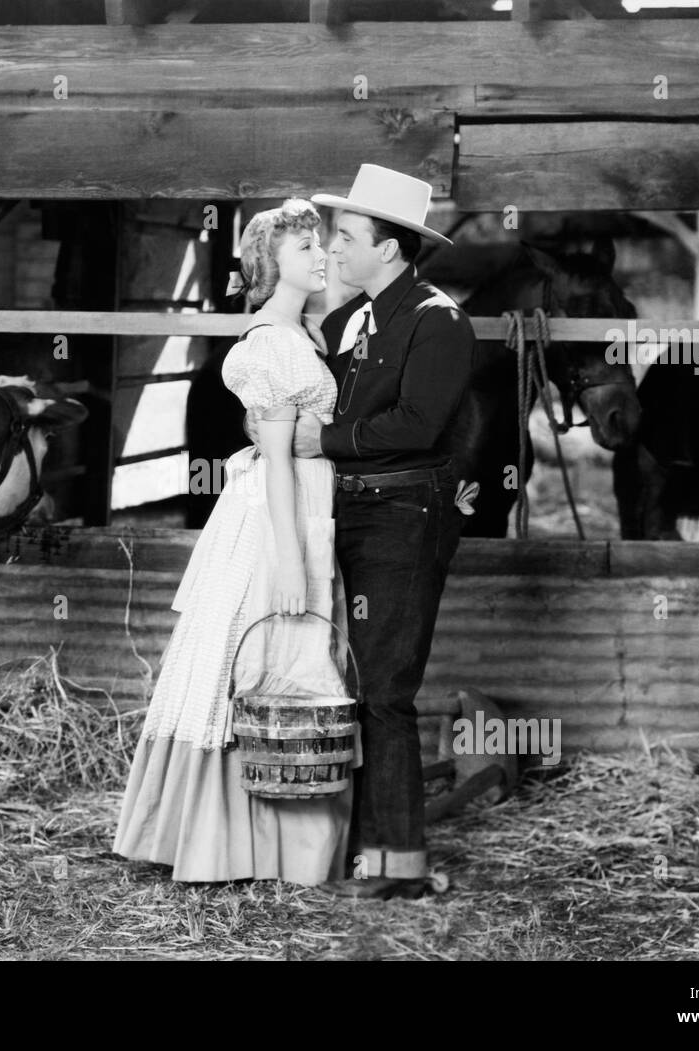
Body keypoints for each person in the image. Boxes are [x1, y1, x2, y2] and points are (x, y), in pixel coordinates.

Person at [249, 165, 476, 900]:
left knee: (386, 688)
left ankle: (399, 863)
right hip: (350, 511)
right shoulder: (355, 319)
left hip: (405, 516)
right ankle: (364, 850)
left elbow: (419, 423)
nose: (335, 251)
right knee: (356, 682)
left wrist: (327, 441)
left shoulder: (436, 319)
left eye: (347, 237)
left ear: (390, 248)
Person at [113, 199, 355, 885]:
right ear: (269, 262)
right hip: (277, 517)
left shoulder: (301, 331)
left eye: (321, 244)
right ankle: (236, 840)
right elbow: (276, 456)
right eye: (304, 246)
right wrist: (287, 557)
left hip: (300, 506)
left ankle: (278, 836)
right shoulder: (273, 342)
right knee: (266, 655)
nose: (319, 255)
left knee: (289, 659)